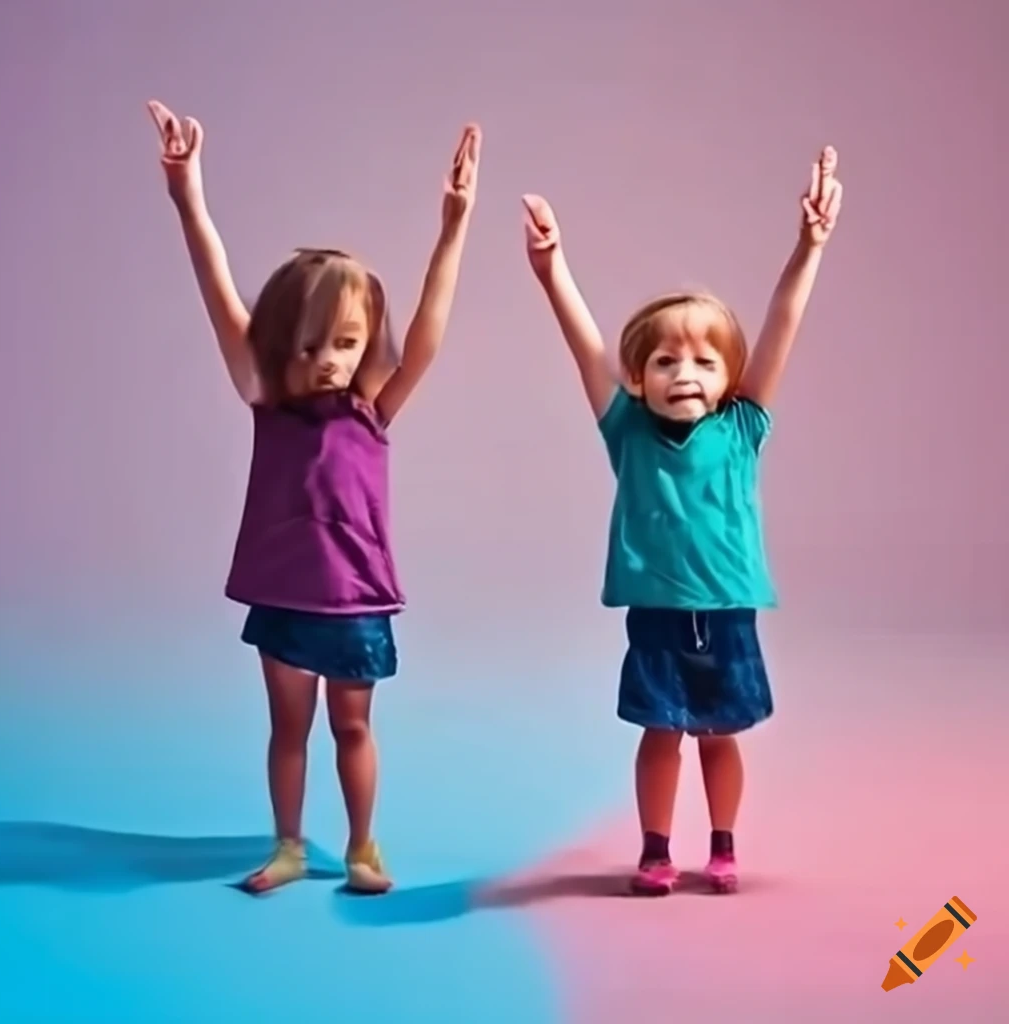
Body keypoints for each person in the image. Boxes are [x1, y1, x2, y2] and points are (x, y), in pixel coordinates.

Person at [147, 99, 481, 894]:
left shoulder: (374, 410)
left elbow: (429, 328)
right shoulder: (265, 398)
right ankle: (291, 845)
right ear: (279, 346)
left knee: (353, 723)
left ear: (368, 344)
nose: (331, 360)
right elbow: (219, 293)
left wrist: (454, 223)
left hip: (356, 599)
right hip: (287, 597)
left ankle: (364, 848)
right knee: (288, 727)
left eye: (348, 342)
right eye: (311, 345)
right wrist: (187, 195)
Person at [521, 147, 842, 895]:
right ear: (639, 378)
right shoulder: (625, 427)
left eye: (703, 361)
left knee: (720, 735)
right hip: (658, 616)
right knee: (659, 732)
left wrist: (809, 246)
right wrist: (552, 268)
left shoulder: (742, 428)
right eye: (665, 361)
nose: (684, 373)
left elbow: (783, 318)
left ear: (730, 379)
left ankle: (722, 846)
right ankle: (656, 849)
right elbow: (585, 346)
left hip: (727, 611)